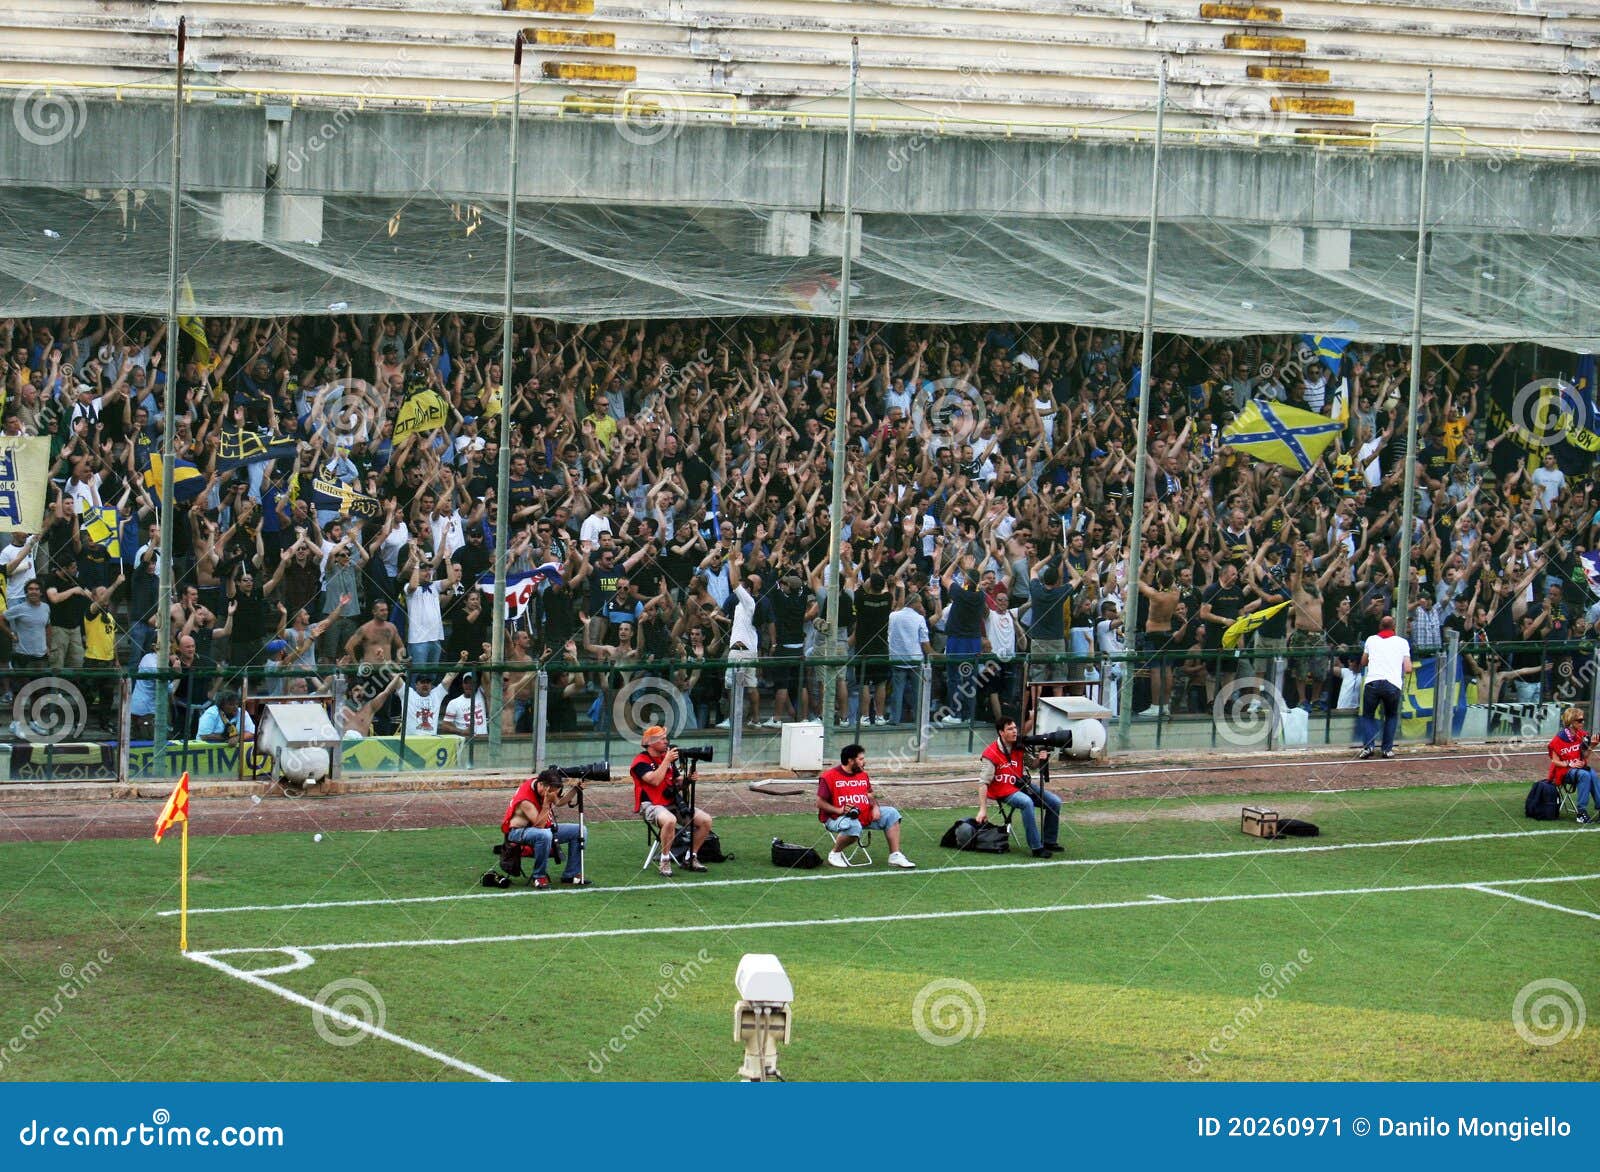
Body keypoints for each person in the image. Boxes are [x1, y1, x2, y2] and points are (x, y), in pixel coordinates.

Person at [816, 743, 916, 869]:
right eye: (861, 759)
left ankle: (895, 855)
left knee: (892, 813)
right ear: (850, 760)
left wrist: (875, 807)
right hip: (836, 818)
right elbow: (819, 803)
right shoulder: (829, 776)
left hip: (864, 814)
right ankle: (835, 853)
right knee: (853, 825)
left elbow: (869, 795)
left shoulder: (862, 774)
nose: (864, 762)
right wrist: (839, 809)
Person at [976, 717, 1063, 858]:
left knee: (1055, 802)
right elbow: (983, 783)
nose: (1014, 731)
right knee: (1026, 802)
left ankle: (1049, 841)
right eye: (1010, 729)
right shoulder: (990, 753)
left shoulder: (1019, 746)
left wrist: (1041, 758)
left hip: (1020, 785)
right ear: (1001, 732)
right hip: (1002, 790)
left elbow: (1033, 765)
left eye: (1015, 728)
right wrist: (982, 810)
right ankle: (1036, 847)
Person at [630, 724, 711, 877]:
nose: (666, 742)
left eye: (666, 738)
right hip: (651, 805)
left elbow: (677, 783)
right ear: (651, 743)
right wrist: (666, 761)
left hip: (672, 802)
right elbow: (654, 780)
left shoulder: (666, 759)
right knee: (669, 820)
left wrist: (687, 779)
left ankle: (690, 857)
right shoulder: (640, 762)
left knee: (705, 820)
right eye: (662, 739)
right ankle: (665, 860)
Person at [499, 768, 587, 888]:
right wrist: (546, 803)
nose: (552, 794)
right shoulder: (526, 800)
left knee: (580, 830)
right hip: (517, 833)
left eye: (554, 792)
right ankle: (539, 877)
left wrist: (575, 789)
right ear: (541, 785)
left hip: (540, 828)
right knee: (544, 835)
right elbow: (539, 826)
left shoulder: (545, 785)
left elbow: (558, 802)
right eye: (551, 791)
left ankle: (570, 875)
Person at [1357, 614, 1412, 760]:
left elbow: (1363, 661)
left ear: (1380, 626)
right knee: (1391, 715)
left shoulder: (1371, 640)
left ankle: (1368, 746)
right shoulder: (1402, 642)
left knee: (1368, 715)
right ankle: (1387, 749)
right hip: (1392, 684)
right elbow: (1408, 668)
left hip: (1373, 682)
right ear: (1394, 627)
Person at [1547, 706, 1600, 824]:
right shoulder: (1557, 740)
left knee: (1592, 774)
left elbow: (1585, 756)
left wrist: (1592, 746)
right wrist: (1569, 763)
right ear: (1571, 722)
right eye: (1579, 720)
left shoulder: (1582, 735)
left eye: (1583, 720)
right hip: (1563, 772)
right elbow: (1554, 761)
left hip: (1578, 769)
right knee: (1585, 775)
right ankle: (1581, 813)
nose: (1583, 722)